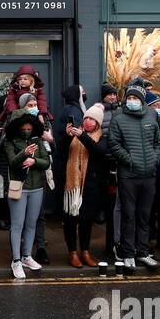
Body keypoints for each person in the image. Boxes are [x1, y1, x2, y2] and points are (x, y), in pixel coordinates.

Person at [106, 85, 160, 274]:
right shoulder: (119, 118)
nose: (132, 101)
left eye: (135, 98)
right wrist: (129, 160)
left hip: (149, 175)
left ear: (142, 100)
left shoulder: (151, 116)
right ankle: (128, 253)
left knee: (145, 216)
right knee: (128, 216)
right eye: (129, 98)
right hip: (129, 175)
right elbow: (113, 144)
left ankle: (143, 252)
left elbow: (158, 141)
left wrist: (155, 158)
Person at [2, 107, 51, 279]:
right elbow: (13, 163)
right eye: (24, 127)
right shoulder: (9, 141)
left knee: (31, 223)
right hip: (19, 187)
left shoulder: (37, 141)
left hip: (37, 186)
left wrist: (33, 160)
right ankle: (16, 260)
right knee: (17, 225)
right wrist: (25, 154)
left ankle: (26, 256)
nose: (27, 130)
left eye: (30, 127)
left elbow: (46, 162)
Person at [61, 102, 108, 267]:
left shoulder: (101, 137)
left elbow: (98, 151)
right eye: (86, 118)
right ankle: (72, 253)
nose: (88, 121)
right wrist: (68, 137)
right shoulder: (74, 135)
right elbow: (60, 151)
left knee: (87, 221)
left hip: (90, 185)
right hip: (72, 186)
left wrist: (81, 136)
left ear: (98, 124)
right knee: (71, 221)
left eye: (92, 120)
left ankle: (85, 252)